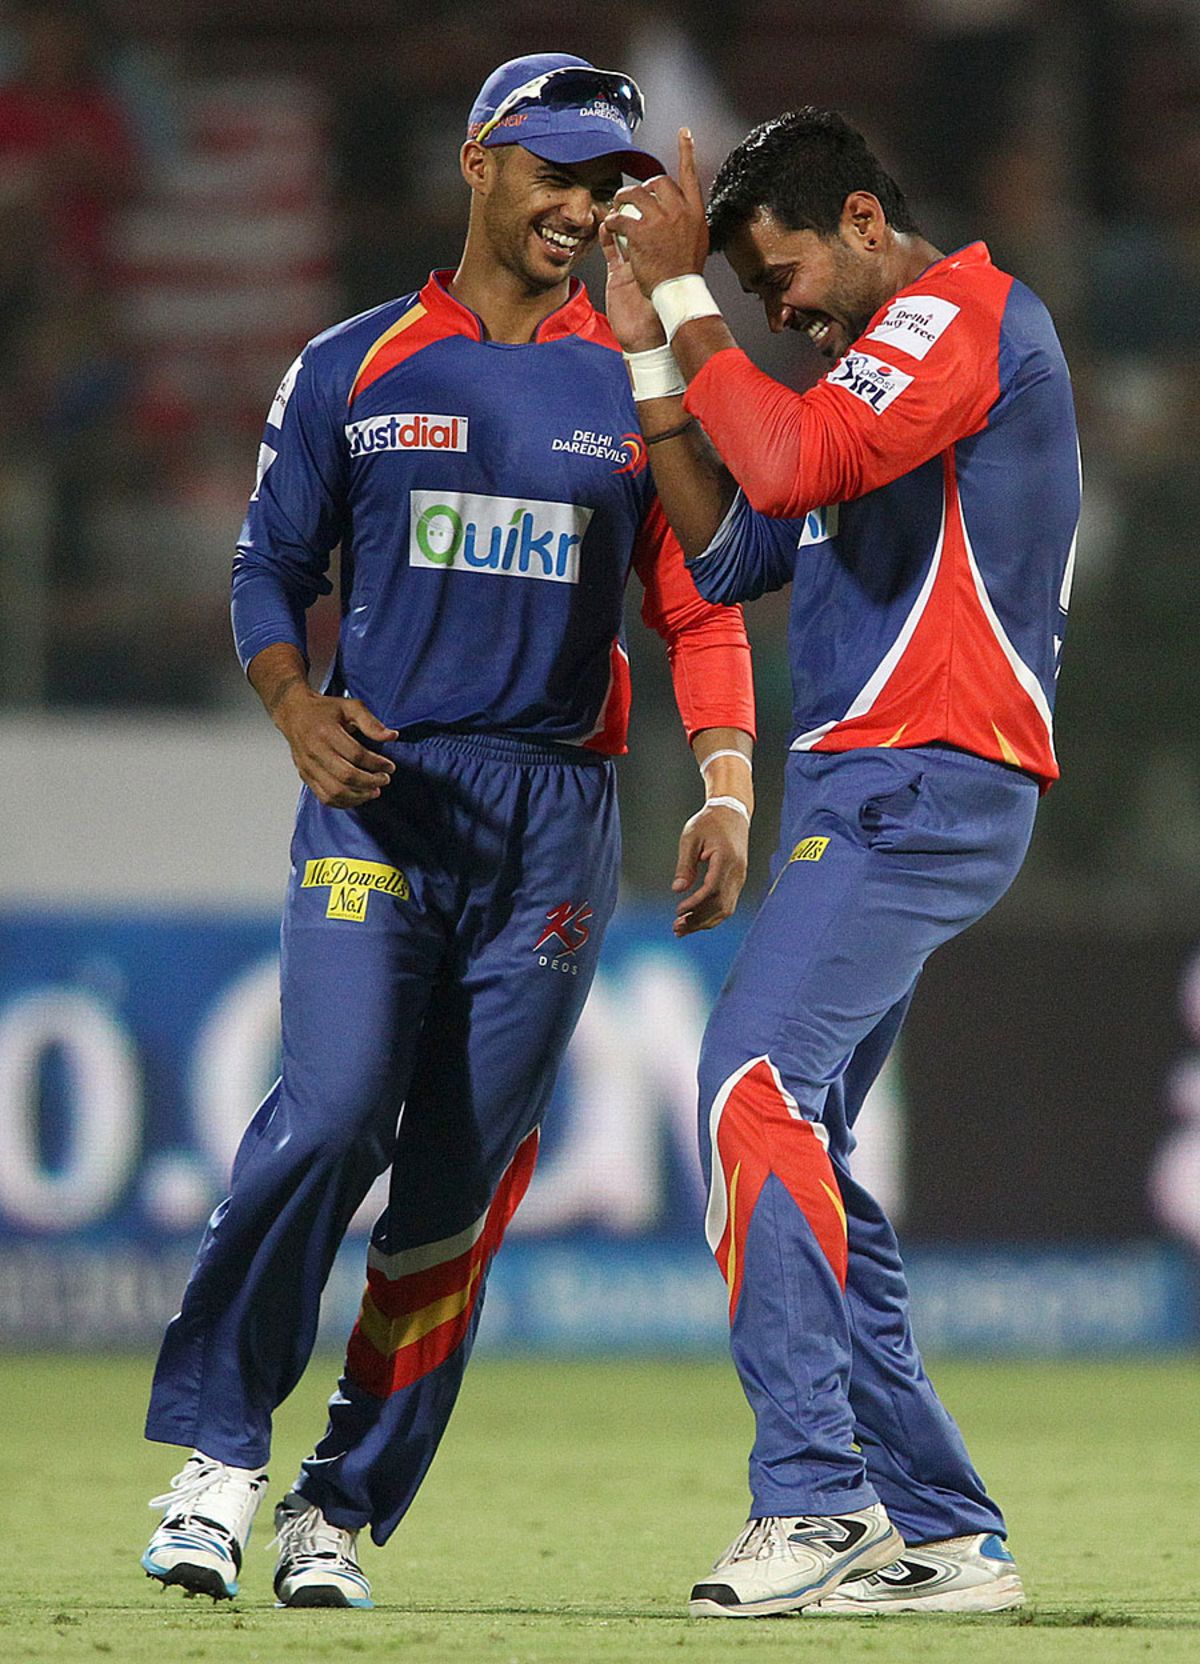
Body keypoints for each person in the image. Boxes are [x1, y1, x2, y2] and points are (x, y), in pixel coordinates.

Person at [140, 53, 755, 1610]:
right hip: (383, 798)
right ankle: (215, 1463)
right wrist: (293, 707)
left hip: (554, 823)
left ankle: (335, 1509)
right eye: (558, 172)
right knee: (334, 1113)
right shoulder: (354, 363)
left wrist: (732, 780)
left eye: (609, 184)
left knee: (457, 1190)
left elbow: (702, 596)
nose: (584, 208)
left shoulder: (631, 377)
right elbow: (267, 572)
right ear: (478, 161)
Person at [603, 109, 1079, 1616]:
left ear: (868, 219)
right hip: (869, 789)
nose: (780, 308)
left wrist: (685, 297)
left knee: (744, 1086)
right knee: (805, 1139)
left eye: (783, 271)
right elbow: (738, 549)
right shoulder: (879, 372)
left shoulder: (965, 317)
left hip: (924, 779)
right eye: (753, 294)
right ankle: (946, 1534)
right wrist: (651, 358)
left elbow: (799, 461)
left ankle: (815, 1502)